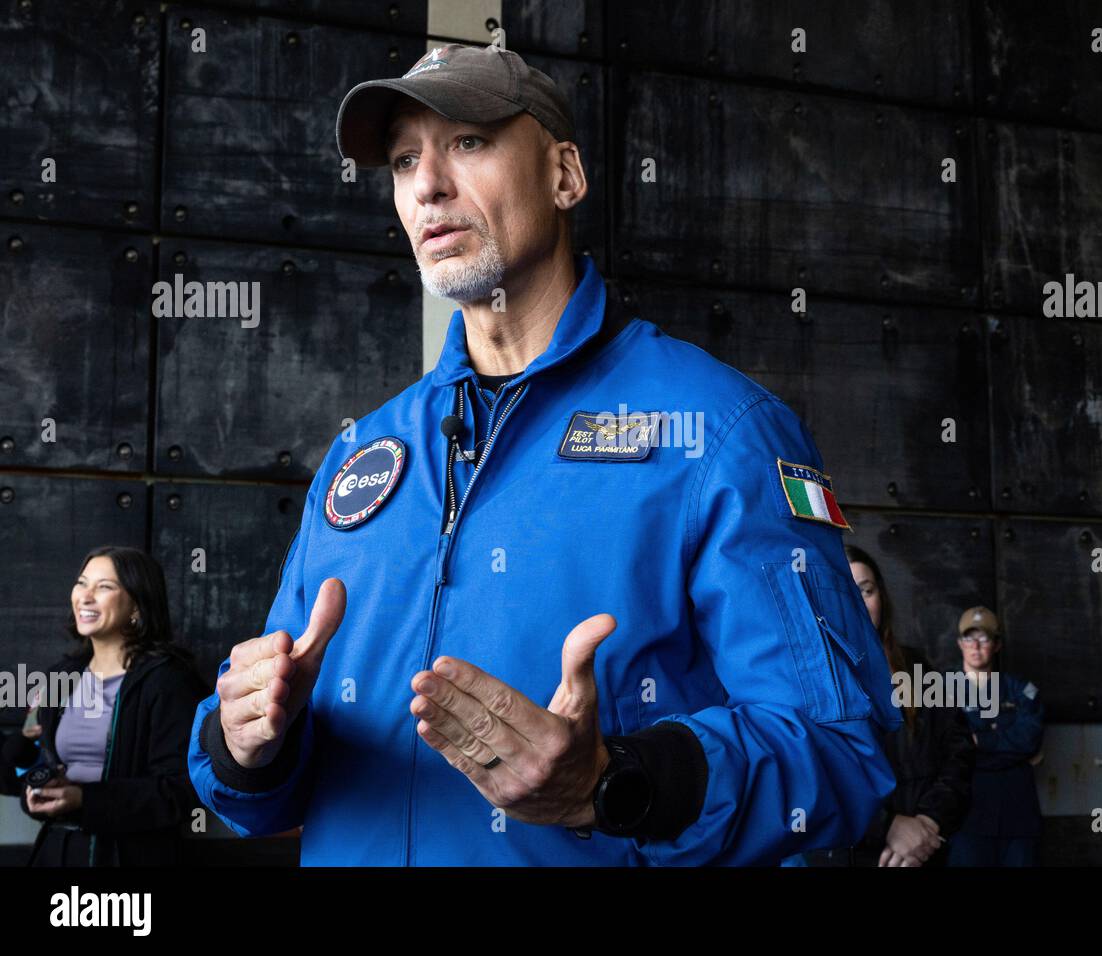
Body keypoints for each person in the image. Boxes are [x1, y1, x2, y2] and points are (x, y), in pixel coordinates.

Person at [186, 42, 900, 865]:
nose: (427, 186)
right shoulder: (364, 453)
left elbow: (845, 755)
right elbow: (264, 789)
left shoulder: (721, 431)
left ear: (565, 176)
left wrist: (613, 784)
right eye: (404, 159)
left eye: (469, 142)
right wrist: (244, 742)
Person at [3, 546, 207, 866]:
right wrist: (36, 792)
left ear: (137, 604)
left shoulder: (169, 682)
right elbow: (32, 757)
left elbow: (185, 791)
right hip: (57, 852)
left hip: (129, 859)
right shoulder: (62, 677)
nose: (85, 596)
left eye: (104, 587)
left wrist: (85, 800)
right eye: (82, 583)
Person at [803, 545, 974, 867]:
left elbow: (959, 753)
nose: (857, 602)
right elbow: (807, 773)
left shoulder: (916, 668)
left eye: (866, 591)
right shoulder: (810, 678)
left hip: (924, 853)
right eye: (844, 591)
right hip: (849, 855)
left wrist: (928, 824)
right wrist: (887, 827)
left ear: (882, 597)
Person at [946, 605, 1044, 866]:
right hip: (966, 816)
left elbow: (1029, 740)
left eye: (984, 638)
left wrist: (981, 742)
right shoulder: (942, 691)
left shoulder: (1020, 690)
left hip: (1018, 817)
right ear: (959, 643)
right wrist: (1013, 753)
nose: (976, 646)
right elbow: (948, 749)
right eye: (969, 638)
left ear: (997, 644)